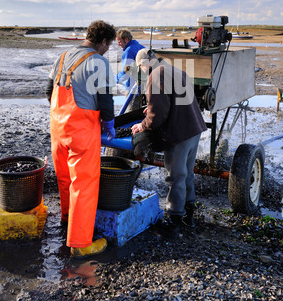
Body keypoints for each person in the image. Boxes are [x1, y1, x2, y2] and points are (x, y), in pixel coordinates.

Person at [46, 20, 116, 259]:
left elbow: (49, 90)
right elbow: (106, 100)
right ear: (104, 41)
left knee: (65, 178)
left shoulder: (63, 56)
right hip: (82, 132)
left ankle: (67, 221)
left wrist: (63, 115)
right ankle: (81, 243)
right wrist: (109, 123)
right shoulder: (99, 61)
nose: (108, 49)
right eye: (109, 45)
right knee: (84, 185)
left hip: (58, 128)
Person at [131, 48, 207, 240]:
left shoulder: (156, 75)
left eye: (141, 67)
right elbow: (172, 102)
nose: (142, 72)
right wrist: (150, 110)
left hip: (179, 133)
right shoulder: (175, 70)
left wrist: (143, 124)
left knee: (174, 178)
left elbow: (159, 114)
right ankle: (189, 216)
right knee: (186, 174)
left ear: (146, 63)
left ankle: (174, 223)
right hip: (193, 129)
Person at [116, 28, 144, 93]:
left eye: (119, 42)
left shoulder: (129, 51)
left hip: (134, 89)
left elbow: (126, 72)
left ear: (126, 39)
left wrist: (114, 79)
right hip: (145, 88)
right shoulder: (142, 47)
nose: (118, 44)